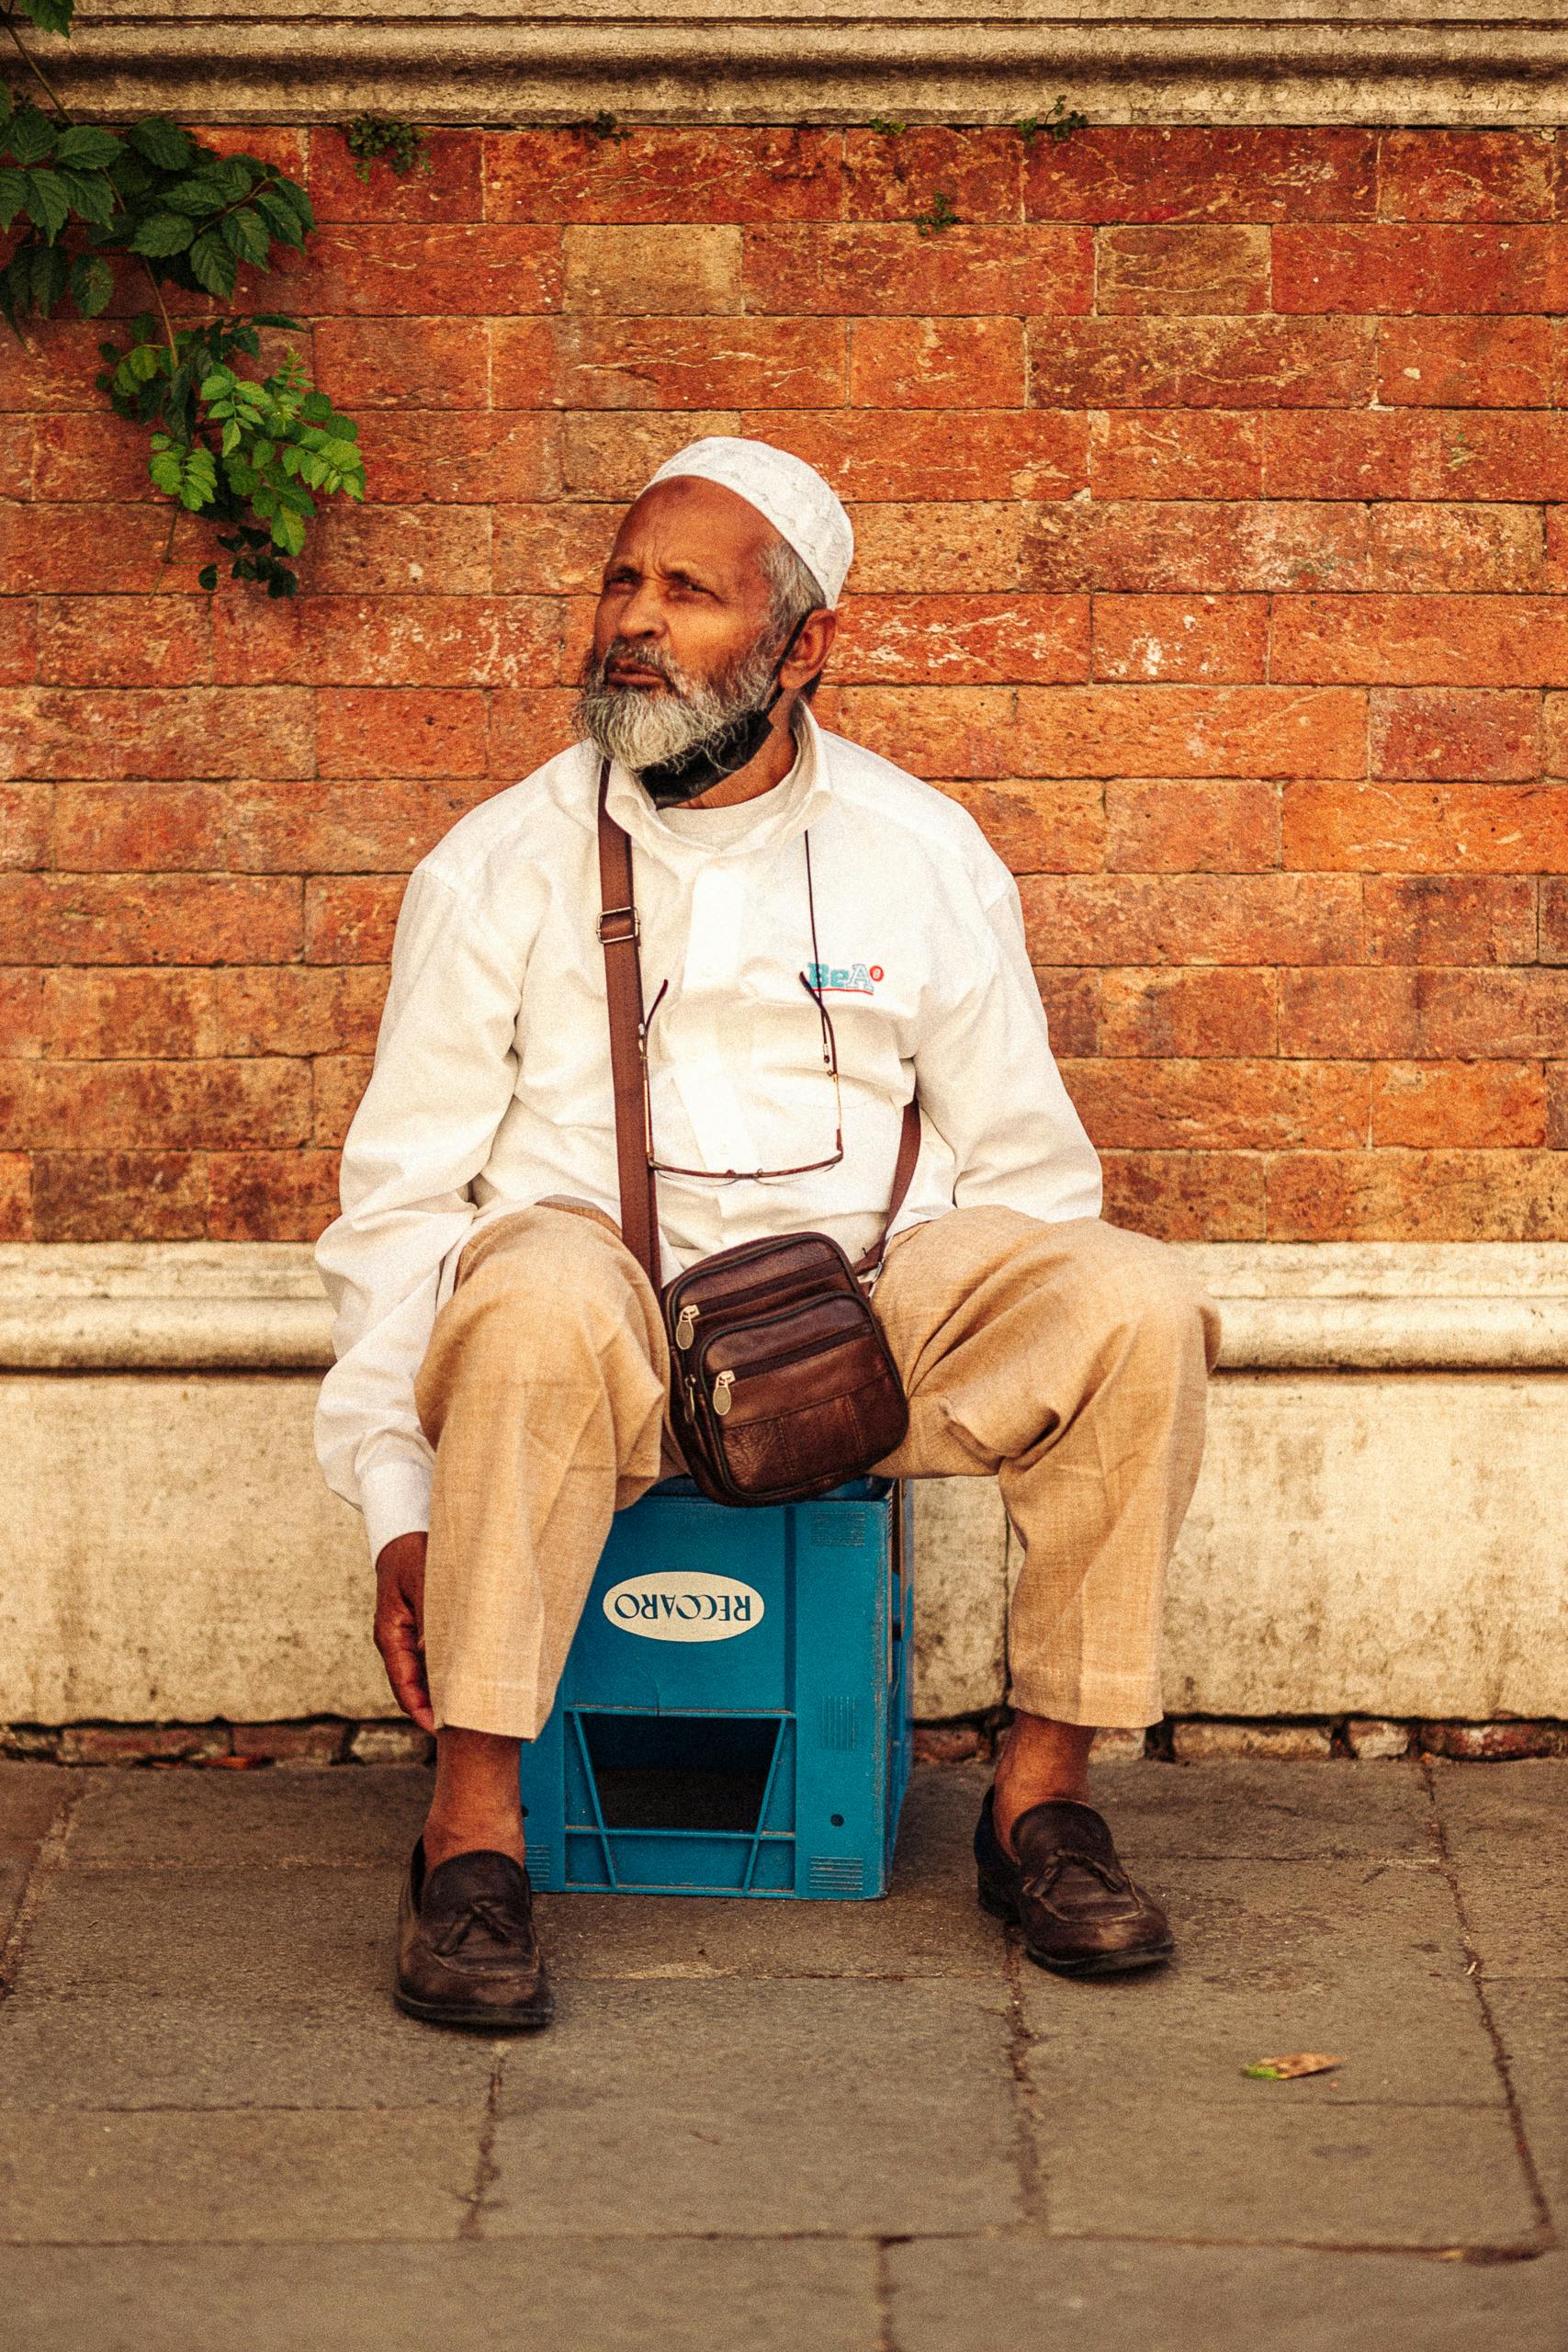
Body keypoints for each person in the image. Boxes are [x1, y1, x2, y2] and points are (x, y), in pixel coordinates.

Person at [314, 435, 1222, 2031]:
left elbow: (1030, 1171)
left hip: (862, 1319)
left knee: (1134, 1299)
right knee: (526, 1284)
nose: (635, 625)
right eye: (621, 581)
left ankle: (1042, 1808)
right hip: (592, 1329)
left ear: (805, 647)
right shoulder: (497, 867)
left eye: (689, 593)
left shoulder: (922, 853)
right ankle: (471, 1839)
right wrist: (400, 1491)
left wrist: (957, 1318)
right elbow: (401, 1205)